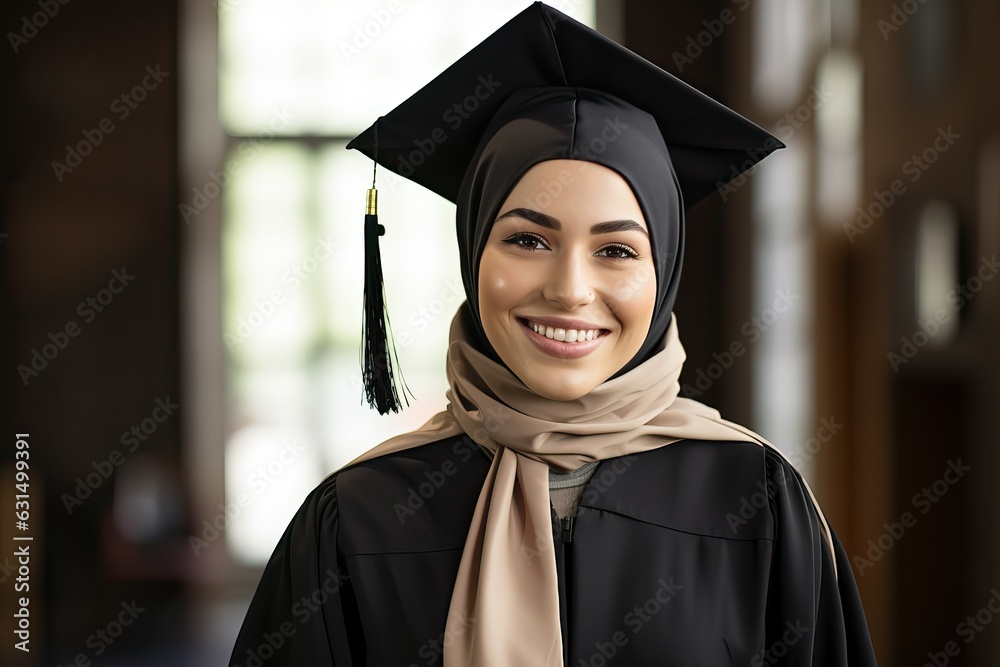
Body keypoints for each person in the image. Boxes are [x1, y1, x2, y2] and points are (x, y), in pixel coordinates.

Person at [229, 4, 877, 665]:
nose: (569, 289)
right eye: (527, 239)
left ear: (666, 271)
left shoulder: (756, 498)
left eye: (617, 250)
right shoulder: (358, 516)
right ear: (473, 249)